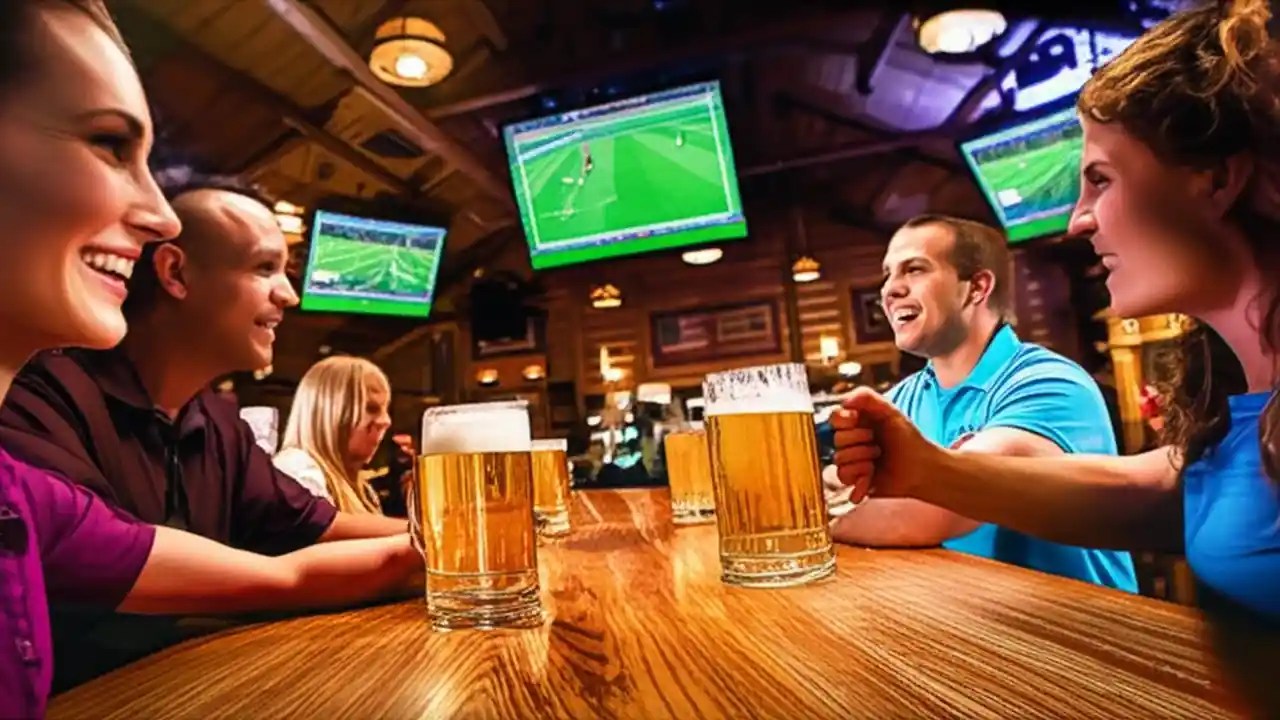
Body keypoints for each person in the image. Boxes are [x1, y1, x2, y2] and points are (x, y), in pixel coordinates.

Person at [829, 1, 1279, 714]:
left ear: (1216, 179)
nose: (1077, 219)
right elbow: (1163, 491)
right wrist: (930, 470)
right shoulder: (1242, 403)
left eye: (1100, 179)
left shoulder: (1045, 377)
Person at [0, 2, 420, 717]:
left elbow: (294, 565)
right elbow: (273, 578)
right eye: (108, 144)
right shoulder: (44, 402)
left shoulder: (36, 493)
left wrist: (478, 527)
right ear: (175, 274)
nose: (160, 214)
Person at [823, 215, 1137, 592]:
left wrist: (811, 518)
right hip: (969, 612)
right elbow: (837, 484)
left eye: (915, 269)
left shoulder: (1049, 382)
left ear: (977, 288)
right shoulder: (901, 400)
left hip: (1081, 623)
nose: (890, 289)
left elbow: (945, 507)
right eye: (888, 274)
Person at [274, 355, 392, 514]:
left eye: (385, 409)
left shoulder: (363, 490)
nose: (386, 421)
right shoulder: (296, 472)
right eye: (371, 408)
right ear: (330, 412)